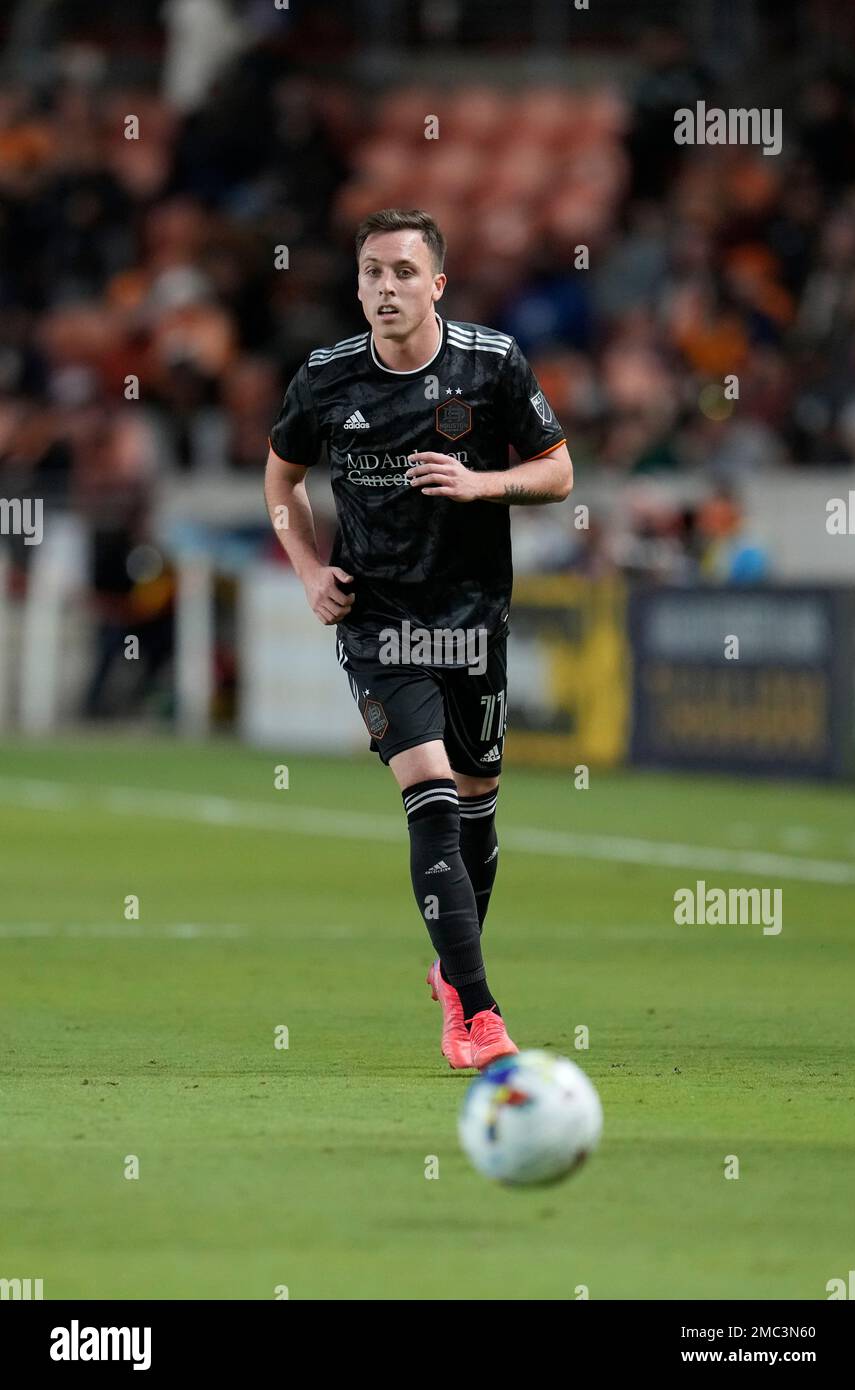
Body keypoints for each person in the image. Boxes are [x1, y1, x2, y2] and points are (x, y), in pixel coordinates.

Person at [264, 208, 572, 1069]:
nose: (385, 287)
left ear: (436, 283)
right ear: (357, 284)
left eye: (403, 272)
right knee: (430, 791)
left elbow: (558, 470)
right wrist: (307, 567)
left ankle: (450, 970)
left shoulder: (493, 362)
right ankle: (478, 1012)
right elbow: (281, 475)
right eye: (371, 272)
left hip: (473, 617)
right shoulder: (327, 379)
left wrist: (482, 486)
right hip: (377, 617)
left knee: (477, 803)